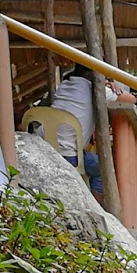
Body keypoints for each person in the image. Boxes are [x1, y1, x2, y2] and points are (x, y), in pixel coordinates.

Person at [49, 65, 104, 195]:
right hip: (69, 155)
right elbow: (130, 99)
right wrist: (115, 90)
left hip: (45, 146)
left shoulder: (64, 86)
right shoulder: (95, 90)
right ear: (91, 75)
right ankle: (96, 209)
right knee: (102, 169)